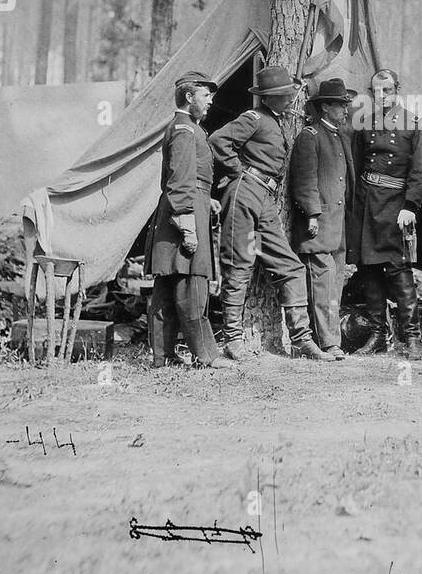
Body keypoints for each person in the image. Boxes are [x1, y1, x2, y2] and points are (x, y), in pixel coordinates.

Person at [208, 64, 338, 362]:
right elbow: (218, 141)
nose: (287, 97)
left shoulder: (277, 120)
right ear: (266, 97)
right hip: (243, 192)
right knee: (238, 264)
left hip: (264, 198)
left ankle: (302, 340)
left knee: (290, 266)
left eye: (288, 92)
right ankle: (232, 338)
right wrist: (237, 169)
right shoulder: (253, 118)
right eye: (280, 94)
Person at [144, 71, 234, 369]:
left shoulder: (186, 127)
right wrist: (187, 225)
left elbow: (185, 175)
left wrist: (204, 198)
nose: (210, 102)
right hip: (183, 214)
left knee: (167, 291)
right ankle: (206, 355)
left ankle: (163, 355)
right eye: (206, 96)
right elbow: (179, 181)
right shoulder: (185, 130)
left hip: (183, 208)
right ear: (188, 97)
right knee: (191, 288)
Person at [347, 69, 422, 360]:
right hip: (367, 203)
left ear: (398, 90)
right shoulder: (364, 124)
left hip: (396, 206)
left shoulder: (413, 123)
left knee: (399, 271)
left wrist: (410, 206)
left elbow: (420, 172)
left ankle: (412, 337)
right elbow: (356, 167)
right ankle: (377, 336)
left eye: (387, 90)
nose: (382, 96)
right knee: (369, 269)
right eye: (376, 91)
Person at [289, 79, 356, 360]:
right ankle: (329, 343)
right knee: (323, 281)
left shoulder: (340, 136)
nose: (344, 110)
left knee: (335, 281)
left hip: (338, 223)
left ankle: (331, 339)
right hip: (320, 221)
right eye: (340, 105)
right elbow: (304, 180)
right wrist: (312, 214)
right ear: (325, 107)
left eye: (345, 105)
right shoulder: (310, 136)